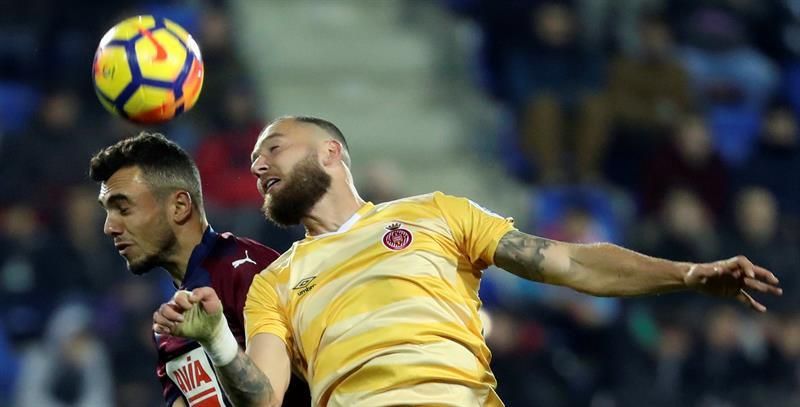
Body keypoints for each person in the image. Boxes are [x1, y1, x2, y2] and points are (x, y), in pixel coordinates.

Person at [152, 116, 782, 406]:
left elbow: (566, 264)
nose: (258, 165)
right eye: (255, 160)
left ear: (332, 152)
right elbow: (263, 399)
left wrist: (687, 273)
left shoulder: (436, 214)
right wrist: (218, 344)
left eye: (276, 148)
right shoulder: (275, 283)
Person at [89, 132, 309, 406]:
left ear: (180, 206)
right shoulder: (170, 329)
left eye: (123, 208)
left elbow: (269, 400)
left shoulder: (246, 269)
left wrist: (215, 339)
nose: (109, 227)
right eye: (108, 212)